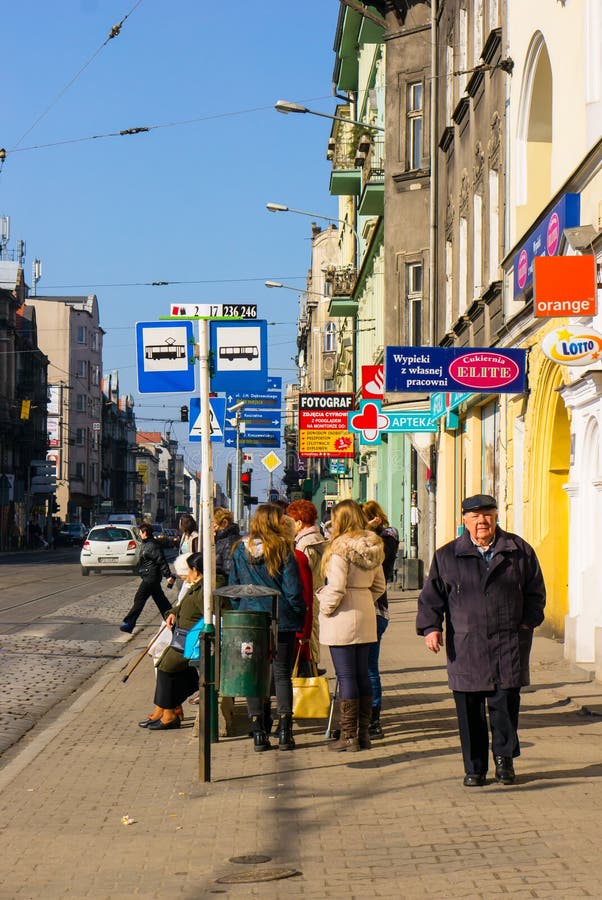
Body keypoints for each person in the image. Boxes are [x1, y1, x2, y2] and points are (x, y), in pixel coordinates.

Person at [416, 494, 546, 787]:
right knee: (469, 709)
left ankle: (504, 761)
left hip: (507, 642)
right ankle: (474, 768)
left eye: (487, 514)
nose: (482, 521)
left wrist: (527, 623)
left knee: (505, 707)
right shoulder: (447, 555)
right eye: (475, 517)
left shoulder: (518, 550)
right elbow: (431, 597)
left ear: (496, 517)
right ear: (464, 521)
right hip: (466, 645)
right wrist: (431, 628)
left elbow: (536, 592)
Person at [228, 503, 305, 752]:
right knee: (281, 674)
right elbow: (293, 590)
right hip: (279, 618)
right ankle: (285, 731)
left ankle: (258, 732)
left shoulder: (240, 549)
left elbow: (234, 587)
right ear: (274, 521)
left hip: (250, 619)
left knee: (253, 675)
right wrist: (298, 615)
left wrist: (242, 610)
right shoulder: (283, 548)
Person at [317, 499, 385, 752]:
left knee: (346, 676)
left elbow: (336, 586)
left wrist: (324, 607)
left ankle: (348, 735)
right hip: (366, 611)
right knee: (362, 674)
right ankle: (364, 733)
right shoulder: (373, 546)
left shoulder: (339, 548)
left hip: (343, 614)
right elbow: (380, 586)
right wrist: (364, 599)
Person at [138, 551, 204, 730]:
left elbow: (207, 615)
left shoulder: (202, 589)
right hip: (184, 636)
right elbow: (179, 606)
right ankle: (164, 709)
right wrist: (172, 613)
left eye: (188, 572)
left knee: (167, 666)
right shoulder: (196, 586)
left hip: (193, 640)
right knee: (164, 663)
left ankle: (169, 714)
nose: (187, 577)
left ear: (196, 571)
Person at [362, 500, 400, 738]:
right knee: (356, 669)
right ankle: (359, 718)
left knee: (369, 668)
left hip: (376, 608)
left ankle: (374, 719)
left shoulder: (386, 538)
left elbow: (380, 560)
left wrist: (368, 531)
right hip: (366, 609)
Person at [286, 500, 328, 669]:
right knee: (312, 633)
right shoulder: (315, 539)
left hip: (308, 596)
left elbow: (302, 574)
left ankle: (310, 670)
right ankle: (312, 667)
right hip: (316, 593)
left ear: (299, 522)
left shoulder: (304, 545)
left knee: (308, 636)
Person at [120, 522, 175, 633]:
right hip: (149, 576)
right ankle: (173, 619)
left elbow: (161, 561)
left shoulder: (152, 545)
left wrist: (168, 575)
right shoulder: (146, 543)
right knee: (161, 601)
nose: (139, 534)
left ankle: (130, 623)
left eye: (140, 531)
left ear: (145, 532)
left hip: (151, 577)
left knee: (139, 598)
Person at [281, 515, 314, 678]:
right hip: (290, 625)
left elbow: (305, 596)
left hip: (291, 628)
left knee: (286, 674)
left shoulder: (296, 557)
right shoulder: (294, 556)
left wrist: (303, 633)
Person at [213, 508, 241, 586]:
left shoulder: (228, 542)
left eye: (214, 527)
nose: (212, 531)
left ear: (224, 523)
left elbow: (229, 571)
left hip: (225, 588)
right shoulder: (223, 541)